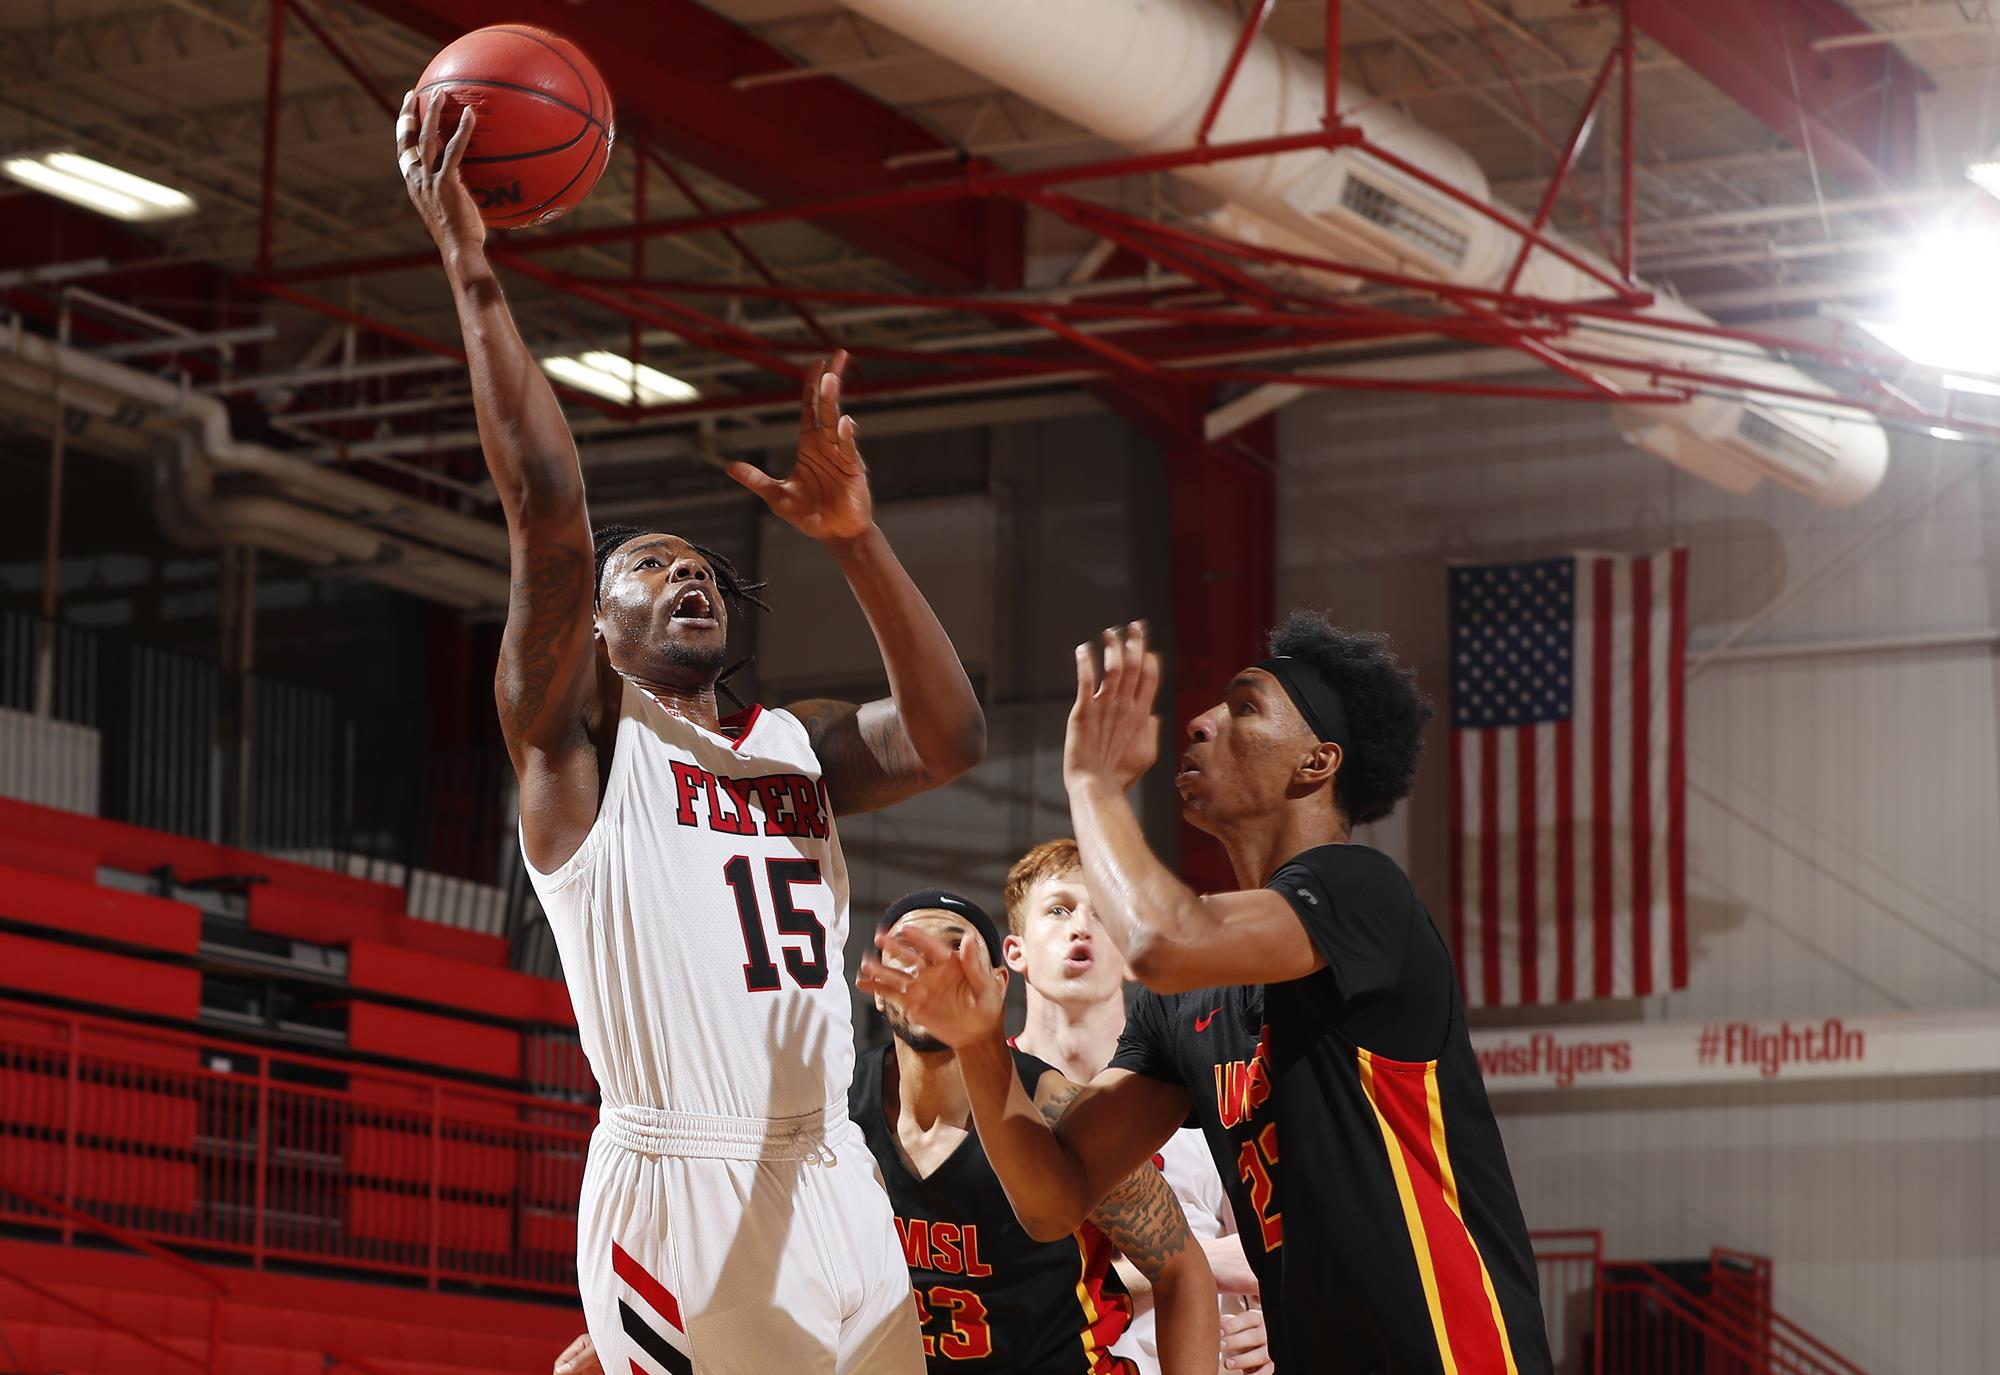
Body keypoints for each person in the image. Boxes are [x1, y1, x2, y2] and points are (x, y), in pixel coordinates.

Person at [399, 92, 984, 1375]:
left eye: (702, 566)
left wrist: (856, 541)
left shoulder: (796, 746)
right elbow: (551, 512)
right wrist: (472, 272)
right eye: (649, 569)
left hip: (837, 1169)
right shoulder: (579, 757)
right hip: (680, 1176)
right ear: (594, 632)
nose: (686, 575)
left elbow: (949, 740)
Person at [861, 615, 1555, 1375]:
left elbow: (1162, 940)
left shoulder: (1363, 890)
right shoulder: (1187, 1004)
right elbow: (1054, 1198)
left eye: (1245, 707)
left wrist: (1091, 785)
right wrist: (976, 1041)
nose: (1199, 722)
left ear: (1317, 761)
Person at [854, 890, 1217, 1374]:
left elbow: (1182, 1270)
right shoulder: (836, 1108)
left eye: (955, 951)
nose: (933, 970)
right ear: (878, 986)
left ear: (999, 984)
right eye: (909, 953)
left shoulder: (1055, 1108)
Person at [1000, 841, 1271, 1375]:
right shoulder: (990, 1107)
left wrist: (1276, 1330)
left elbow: (1271, 1259)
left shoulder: (1196, 1093)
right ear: (1015, 952)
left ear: (1129, 953)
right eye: (1058, 910)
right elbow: (1005, 1293)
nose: (1080, 927)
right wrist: (1195, 1263)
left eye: (1101, 914)